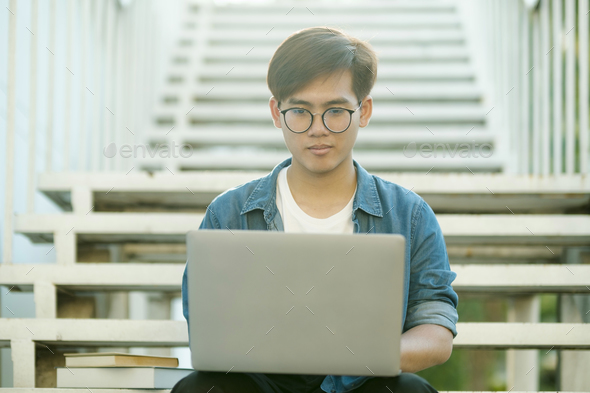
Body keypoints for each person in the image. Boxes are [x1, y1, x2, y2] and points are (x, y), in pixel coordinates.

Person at [172, 26, 458, 393]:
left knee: (409, 391)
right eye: (300, 111)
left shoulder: (410, 215)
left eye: (335, 111)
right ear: (277, 112)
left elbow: (435, 331)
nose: (318, 129)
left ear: (364, 111)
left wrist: (357, 357)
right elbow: (206, 322)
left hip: (361, 384)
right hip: (259, 387)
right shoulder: (228, 214)